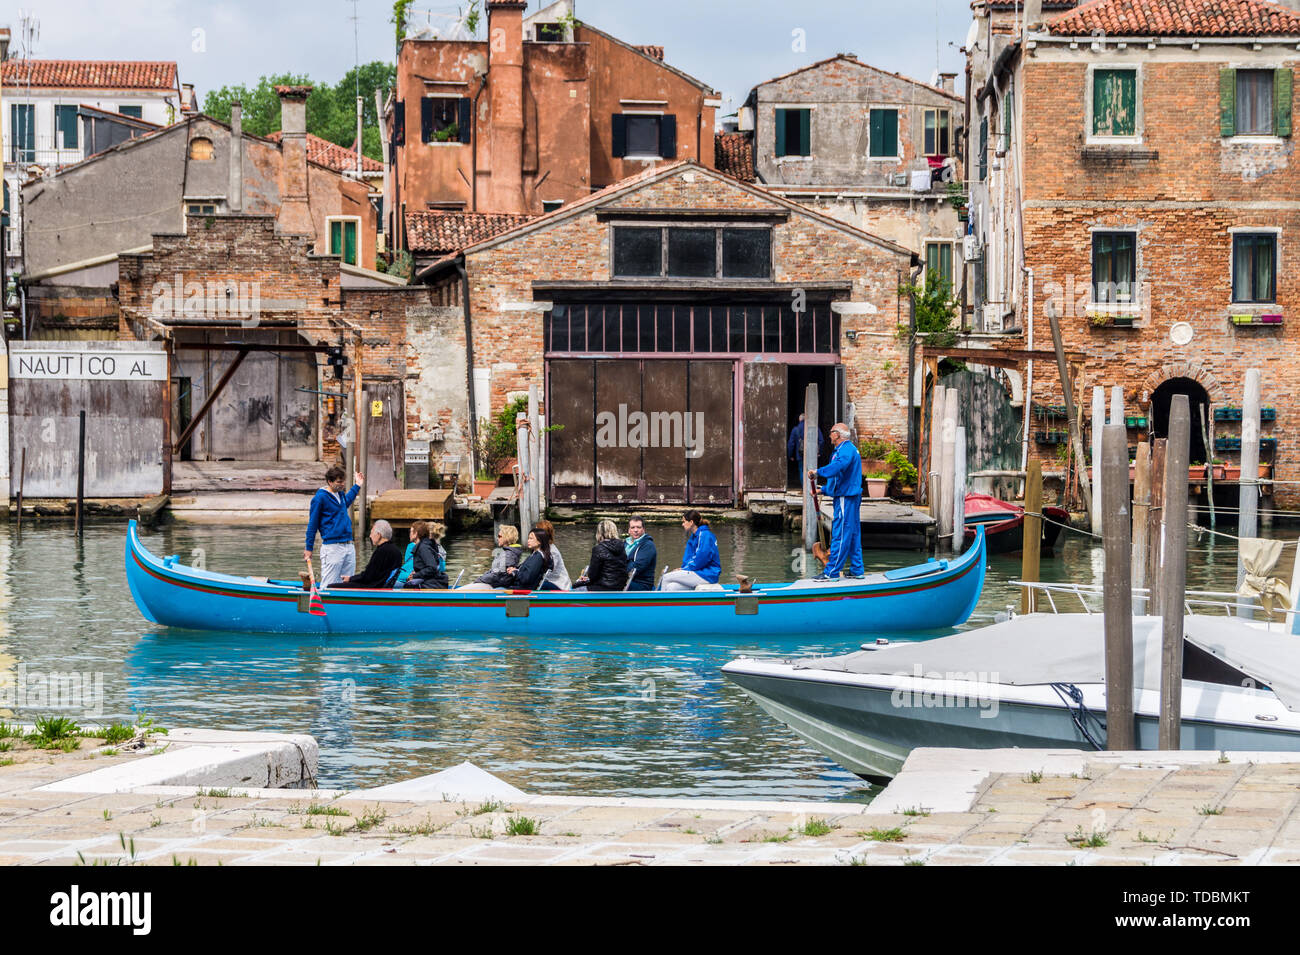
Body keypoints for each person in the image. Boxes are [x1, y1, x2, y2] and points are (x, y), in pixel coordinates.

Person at [807, 422, 864, 581]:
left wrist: (817, 472)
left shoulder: (845, 450)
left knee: (841, 534)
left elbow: (838, 467)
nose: (829, 435)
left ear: (837, 434)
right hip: (848, 495)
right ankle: (857, 569)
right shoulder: (845, 449)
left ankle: (831, 572)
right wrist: (822, 490)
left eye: (831, 432)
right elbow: (840, 476)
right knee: (852, 534)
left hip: (846, 498)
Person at [304, 466, 364, 587]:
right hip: (332, 547)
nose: (342, 484)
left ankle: (343, 604)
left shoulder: (340, 494)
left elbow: (346, 502)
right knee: (329, 583)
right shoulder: (320, 498)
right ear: (330, 482)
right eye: (339, 482)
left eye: (343, 481)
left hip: (348, 545)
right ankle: (324, 601)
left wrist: (357, 485)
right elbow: (312, 524)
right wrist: (308, 548)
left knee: (347, 583)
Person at [331, 520, 404, 589]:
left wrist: (350, 579)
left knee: (331, 587)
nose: (370, 536)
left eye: (372, 532)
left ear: (379, 535)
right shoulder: (396, 551)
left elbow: (368, 576)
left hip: (374, 588)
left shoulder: (381, 551)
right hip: (383, 585)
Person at [660, 510, 721, 591]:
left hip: (707, 574)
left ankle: (659, 602)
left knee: (666, 577)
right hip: (698, 572)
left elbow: (701, 558)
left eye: (684, 521)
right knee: (671, 587)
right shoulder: (694, 537)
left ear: (691, 522)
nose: (682, 524)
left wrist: (685, 569)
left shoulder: (704, 535)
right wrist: (684, 568)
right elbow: (689, 558)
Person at [460, 525, 524, 590]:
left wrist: (480, 580)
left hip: (493, 585)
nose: (497, 538)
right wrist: (481, 579)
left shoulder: (509, 554)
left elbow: (498, 576)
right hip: (491, 583)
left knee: (462, 590)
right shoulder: (507, 552)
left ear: (507, 537)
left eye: (499, 536)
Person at [574, 519, 629, 591]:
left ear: (599, 533)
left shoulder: (598, 548)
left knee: (575, 588)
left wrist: (585, 580)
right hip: (618, 587)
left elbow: (592, 576)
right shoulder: (622, 546)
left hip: (603, 588)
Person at [405, 521, 449, 590]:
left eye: (411, 531)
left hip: (429, 585)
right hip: (429, 582)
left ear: (416, 534)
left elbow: (432, 567)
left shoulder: (423, 547)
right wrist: (416, 574)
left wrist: (415, 575)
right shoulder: (424, 546)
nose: (409, 534)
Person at [787, 414, 825, 484]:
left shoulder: (795, 429)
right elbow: (821, 441)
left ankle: (804, 488)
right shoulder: (815, 428)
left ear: (799, 419)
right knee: (813, 470)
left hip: (800, 454)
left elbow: (791, 444)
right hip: (812, 454)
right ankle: (812, 487)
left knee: (802, 470)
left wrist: (790, 455)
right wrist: (819, 452)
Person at [535, 519, 571, 590]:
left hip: (559, 585)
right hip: (547, 581)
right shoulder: (539, 548)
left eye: (536, 531)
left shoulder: (552, 551)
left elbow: (547, 571)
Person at [624, 516, 657, 591]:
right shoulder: (624, 544)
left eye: (638, 527)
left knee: (611, 583)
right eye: (632, 527)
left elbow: (637, 567)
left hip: (641, 584)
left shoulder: (648, 545)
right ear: (629, 530)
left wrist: (619, 568)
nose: (635, 530)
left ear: (643, 529)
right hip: (626, 580)